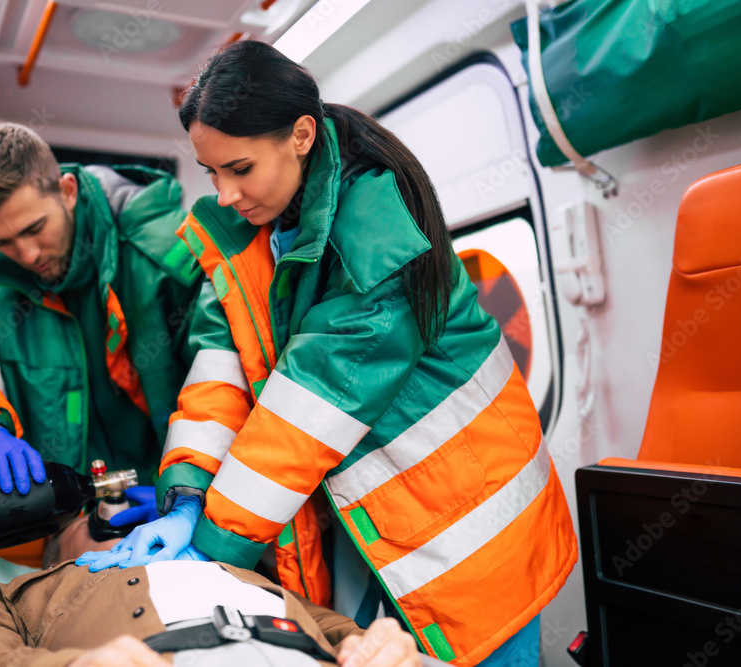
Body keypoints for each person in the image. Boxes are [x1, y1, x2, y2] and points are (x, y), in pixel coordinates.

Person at [80, 41, 577, 667]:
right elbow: (218, 376)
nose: (225, 194)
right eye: (211, 173)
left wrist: (208, 549)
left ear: (302, 136)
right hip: (377, 514)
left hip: (470, 524)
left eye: (239, 168)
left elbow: (306, 412)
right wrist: (183, 500)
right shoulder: (246, 235)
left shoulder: (377, 237)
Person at [0, 122, 202, 498]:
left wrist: (185, 491)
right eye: (2, 241)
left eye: (35, 228)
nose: (27, 255)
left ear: (67, 191)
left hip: (179, 502)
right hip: (75, 510)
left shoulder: (164, 251)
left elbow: (223, 382)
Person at [0, 558, 438, 667]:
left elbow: (337, 629)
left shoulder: (243, 573)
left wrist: (379, 645)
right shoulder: (55, 583)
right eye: (97, 517)